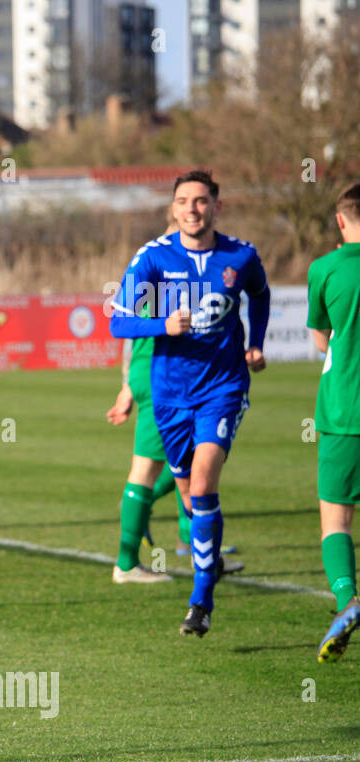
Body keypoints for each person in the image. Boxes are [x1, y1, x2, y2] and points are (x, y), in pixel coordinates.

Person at [110, 170, 269, 636]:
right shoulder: (154, 258)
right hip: (169, 395)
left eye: (201, 201)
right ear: (173, 209)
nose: (192, 209)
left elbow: (259, 294)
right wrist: (163, 324)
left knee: (202, 485)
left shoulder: (240, 256)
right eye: (184, 202)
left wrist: (255, 343)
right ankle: (206, 565)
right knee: (188, 493)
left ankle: (200, 601)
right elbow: (119, 323)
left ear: (216, 206)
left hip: (222, 388)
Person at [106, 321, 242, 582]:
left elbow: (128, 329)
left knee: (190, 460)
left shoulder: (142, 280)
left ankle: (198, 552)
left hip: (156, 371)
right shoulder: (176, 279)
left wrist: (127, 383)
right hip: (165, 375)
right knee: (149, 468)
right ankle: (127, 563)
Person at [309, 182, 360, 663]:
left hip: (344, 411)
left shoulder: (324, 268)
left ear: (341, 221)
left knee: (336, 519)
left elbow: (320, 338)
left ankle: (347, 601)